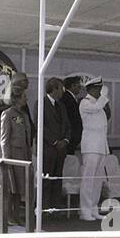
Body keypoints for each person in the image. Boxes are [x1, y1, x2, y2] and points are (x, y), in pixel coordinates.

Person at [0, 72, 34, 225]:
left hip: (24, 155)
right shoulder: (8, 114)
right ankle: (7, 217)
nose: (26, 98)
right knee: (11, 188)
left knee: (20, 188)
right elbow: (4, 139)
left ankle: (16, 215)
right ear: (17, 98)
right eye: (23, 96)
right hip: (13, 155)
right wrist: (6, 159)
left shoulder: (24, 115)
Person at [78, 75, 111, 221]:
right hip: (90, 146)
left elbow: (105, 118)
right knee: (88, 179)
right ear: (91, 89)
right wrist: (104, 97)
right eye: (98, 89)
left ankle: (93, 208)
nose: (100, 92)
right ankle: (84, 210)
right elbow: (97, 107)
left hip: (100, 146)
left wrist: (103, 99)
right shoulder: (85, 103)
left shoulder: (99, 104)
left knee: (97, 180)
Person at [41, 77, 71, 215]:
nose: (63, 92)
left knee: (58, 179)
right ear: (54, 88)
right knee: (47, 180)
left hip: (61, 150)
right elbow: (40, 126)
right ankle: (45, 208)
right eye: (61, 88)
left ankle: (56, 207)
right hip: (48, 149)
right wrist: (54, 142)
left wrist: (65, 140)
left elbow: (67, 125)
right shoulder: (41, 104)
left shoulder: (62, 106)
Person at [61, 76, 84, 154]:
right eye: (78, 85)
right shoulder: (67, 98)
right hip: (70, 137)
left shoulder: (71, 98)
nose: (80, 87)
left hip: (72, 137)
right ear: (72, 85)